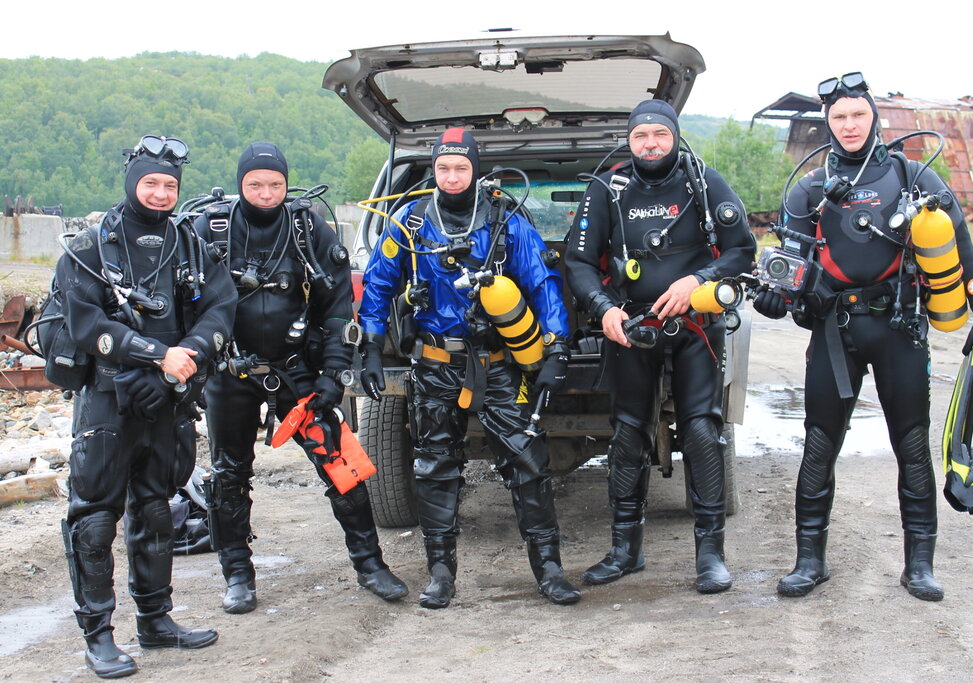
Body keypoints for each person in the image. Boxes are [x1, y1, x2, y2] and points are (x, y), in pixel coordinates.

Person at [753, 73, 973, 601]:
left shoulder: (913, 177)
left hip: (898, 326)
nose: (848, 126)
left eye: (857, 115)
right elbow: (791, 267)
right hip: (833, 332)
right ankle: (809, 561)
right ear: (829, 123)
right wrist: (776, 298)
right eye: (839, 118)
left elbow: (960, 243)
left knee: (912, 448)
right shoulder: (808, 188)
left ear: (874, 119)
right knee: (818, 447)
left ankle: (919, 566)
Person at [358, 127, 581, 608]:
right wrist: (372, 348)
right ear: (434, 170)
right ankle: (441, 575)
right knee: (435, 467)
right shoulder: (411, 220)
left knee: (528, 462)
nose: (452, 176)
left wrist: (556, 348)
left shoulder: (505, 219)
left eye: (461, 167)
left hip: (500, 363)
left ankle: (550, 571)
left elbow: (542, 284)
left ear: (476, 170)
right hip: (436, 364)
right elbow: (377, 285)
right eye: (443, 168)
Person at [193, 142, 408, 614]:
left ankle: (371, 565)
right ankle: (238, 576)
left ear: (287, 185)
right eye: (255, 184)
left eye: (275, 184)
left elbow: (335, 310)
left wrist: (333, 373)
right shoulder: (209, 231)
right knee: (229, 476)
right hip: (231, 370)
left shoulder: (308, 228)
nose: (266, 193)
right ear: (240, 185)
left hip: (297, 372)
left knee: (341, 467)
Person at [57, 135, 237, 678]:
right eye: (151, 183)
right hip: (107, 401)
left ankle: (156, 620)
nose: (160, 193)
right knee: (93, 520)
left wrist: (182, 365)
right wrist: (159, 355)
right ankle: (98, 634)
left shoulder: (190, 245)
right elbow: (86, 324)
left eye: (169, 186)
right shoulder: (87, 248)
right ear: (132, 182)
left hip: (168, 398)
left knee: (157, 507)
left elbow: (221, 308)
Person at [565, 100, 756, 593]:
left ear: (674, 136)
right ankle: (625, 551)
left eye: (660, 135)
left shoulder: (702, 181)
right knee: (628, 435)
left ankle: (710, 556)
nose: (650, 143)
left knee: (701, 433)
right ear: (629, 141)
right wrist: (605, 308)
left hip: (695, 325)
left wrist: (698, 279)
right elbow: (579, 261)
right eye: (641, 136)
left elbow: (742, 249)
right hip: (631, 327)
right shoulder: (606, 188)